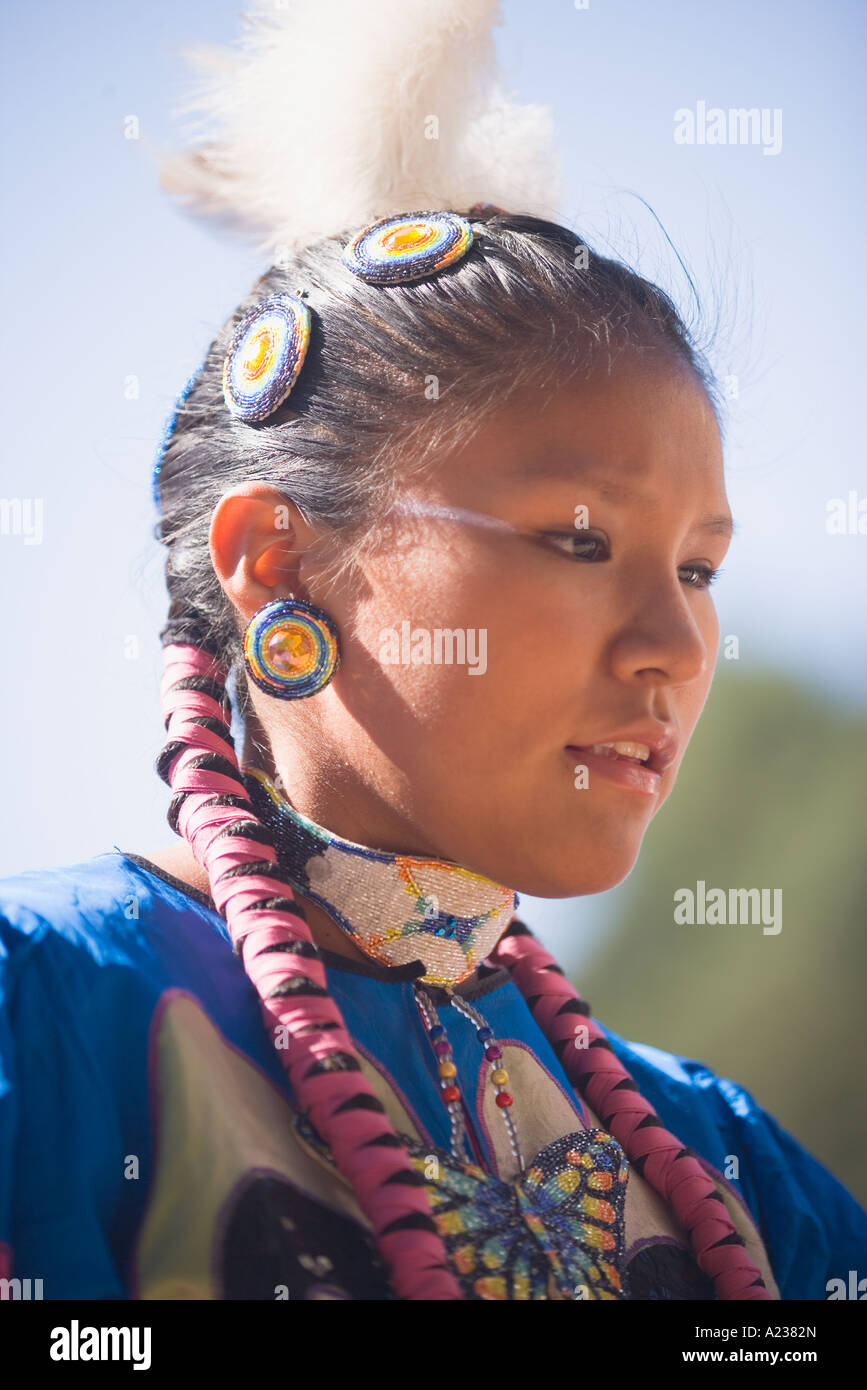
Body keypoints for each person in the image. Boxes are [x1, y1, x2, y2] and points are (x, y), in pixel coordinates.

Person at [1, 0, 865, 1303]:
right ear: (280, 565)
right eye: (579, 541)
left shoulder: (739, 1175)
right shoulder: (39, 1023)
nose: (679, 647)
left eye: (699, 568)